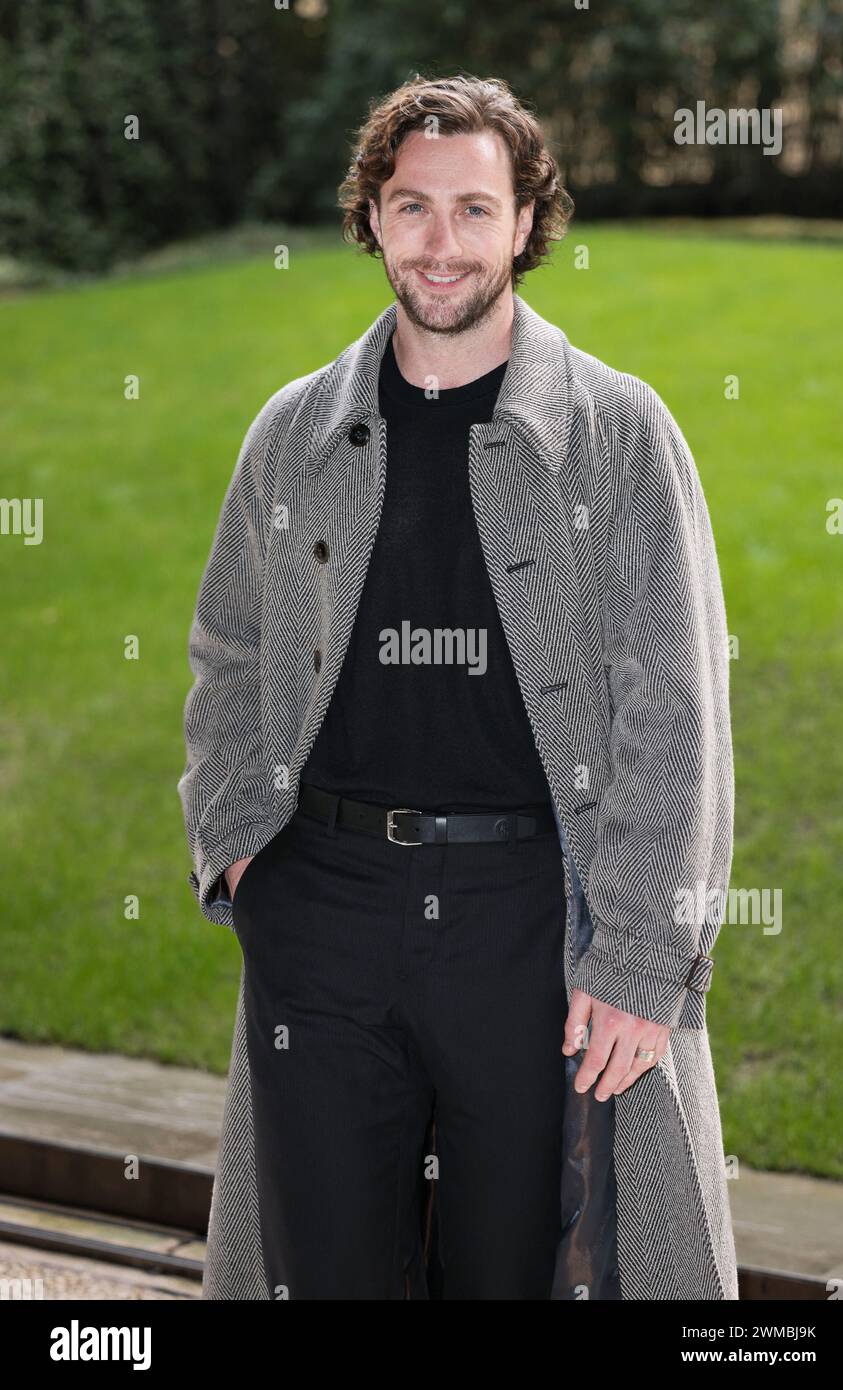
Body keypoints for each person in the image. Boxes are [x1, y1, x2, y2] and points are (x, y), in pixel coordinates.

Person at [179, 73, 738, 1301]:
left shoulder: (616, 431)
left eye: (474, 210)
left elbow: (676, 709)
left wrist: (642, 959)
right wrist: (237, 850)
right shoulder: (294, 429)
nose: (440, 245)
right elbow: (228, 643)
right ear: (370, 218)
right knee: (316, 1267)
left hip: (526, 916)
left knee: (519, 1270)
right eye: (412, 208)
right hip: (319, 906)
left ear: (527, 223)